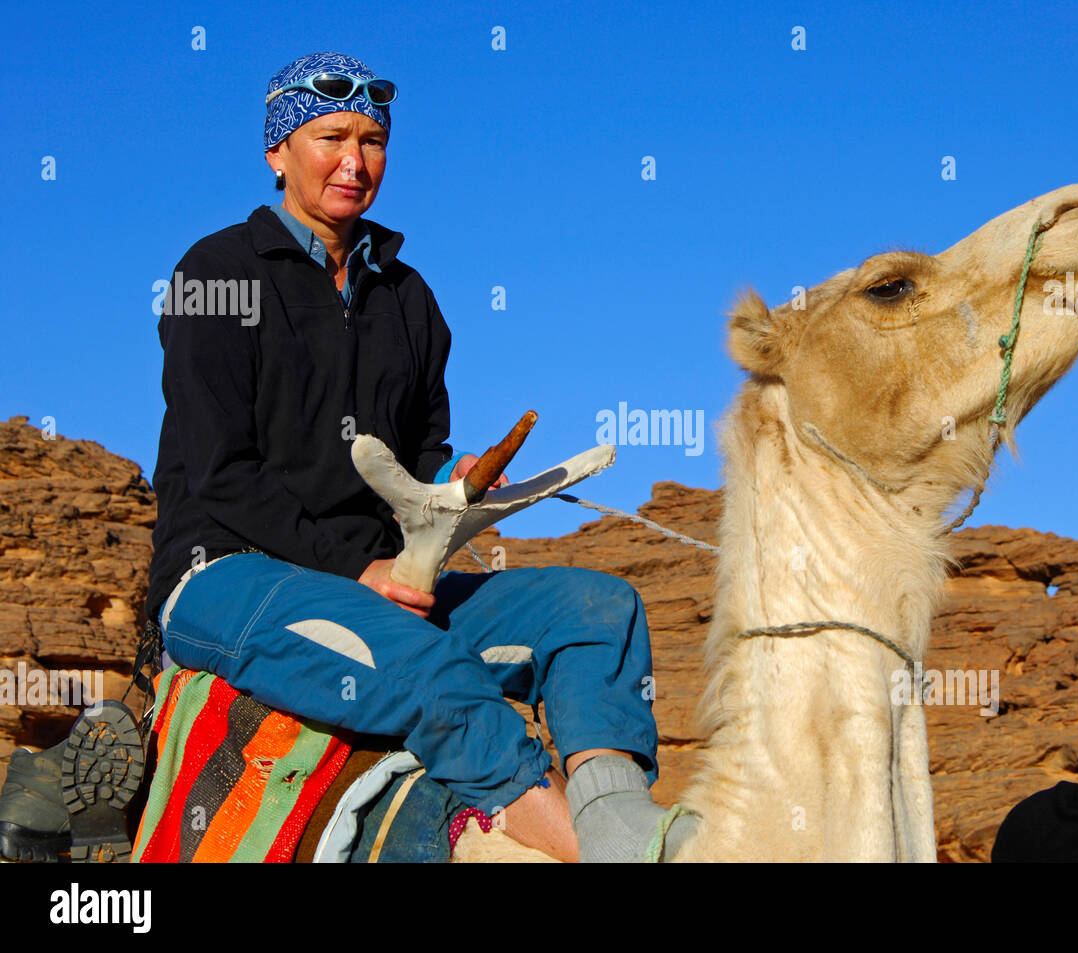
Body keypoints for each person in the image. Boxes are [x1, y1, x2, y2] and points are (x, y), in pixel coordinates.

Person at [1, 51, 696, 864]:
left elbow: (420, 458)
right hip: (227, 573)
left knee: (597, 612)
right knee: (429, 667)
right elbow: (221, 472)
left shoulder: (411, 298)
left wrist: (454, 483)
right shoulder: (215, 273)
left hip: (375, 576)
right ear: (278, 152)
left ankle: (618, 820)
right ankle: (597, 854)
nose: (355, 161)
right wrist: (355, 570)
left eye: (372, 140)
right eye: (331, 136)